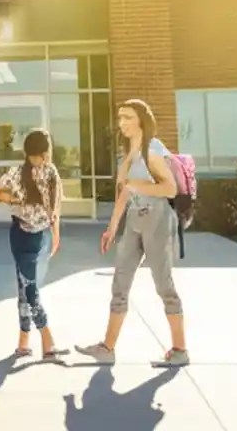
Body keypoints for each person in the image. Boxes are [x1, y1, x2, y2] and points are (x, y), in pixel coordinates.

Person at [83, 98, 189, 367]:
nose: (122, 123)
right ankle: (107, 347)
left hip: (157, 220)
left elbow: (169, 189)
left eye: (128, 117)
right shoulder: (127, 151)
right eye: (120, 118)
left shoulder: (152, 149)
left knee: (163, 285)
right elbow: (124, 193)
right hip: (133, 221)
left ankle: (179, 350)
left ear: (141, 119)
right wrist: (111, 228)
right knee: (119, 284)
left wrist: (136, 183)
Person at [0, 128, 68, 360]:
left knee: (25, 290)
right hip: (22, 233)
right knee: (30, 287)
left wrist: (55, 233)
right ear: (28, 154)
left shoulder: (51, 171)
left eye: (44, 154)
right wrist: (16, 199)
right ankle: (47, 338)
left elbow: (55, 205)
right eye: (36, 155)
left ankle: (23, 342)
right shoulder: (17, 173)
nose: (40, 159)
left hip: (42, 234)